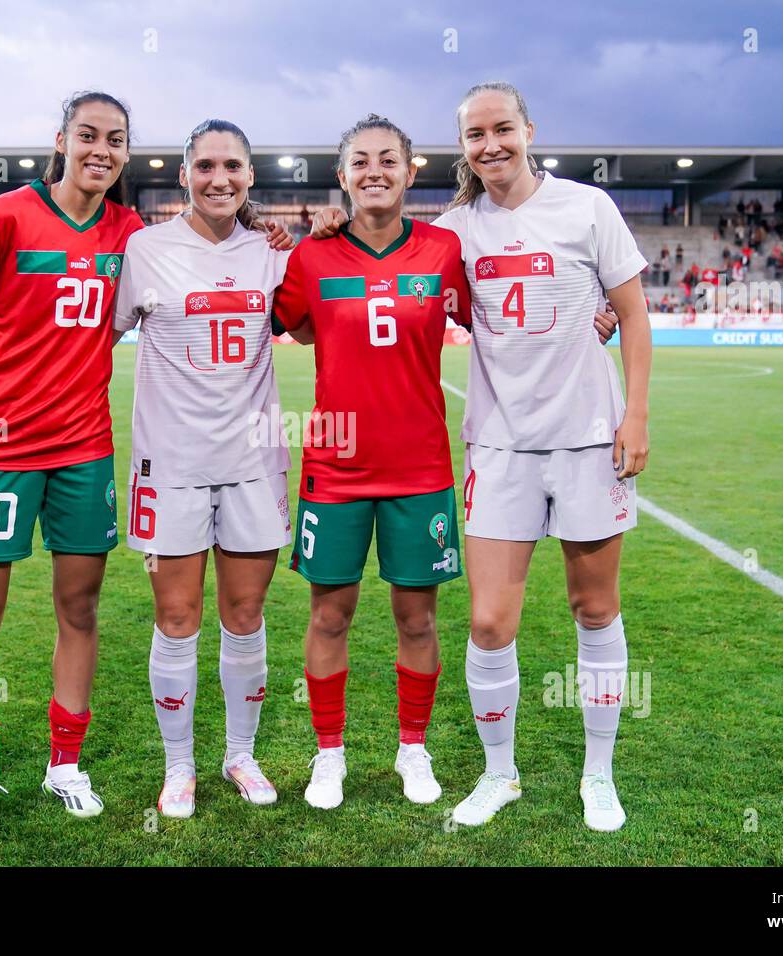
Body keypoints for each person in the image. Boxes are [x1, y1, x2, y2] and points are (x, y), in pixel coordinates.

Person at [434, 81, 651, 833]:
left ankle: (599, 774)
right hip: (499, 446)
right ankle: (500, 773)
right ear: (463, 147)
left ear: (529, 130)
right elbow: (393, 271)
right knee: (490, 622)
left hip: (589, 438)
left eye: (502, 128)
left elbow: (632, 315)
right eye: (475, 134)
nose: (490, 144)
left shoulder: (587, 207)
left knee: (594, 607)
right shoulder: (454, 230)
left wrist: (636, 416)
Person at [0, 90, 144, 834]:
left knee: (79, 609)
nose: (100, 150)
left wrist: (269, 232)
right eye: (88, 135)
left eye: (115, 139)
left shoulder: (129, 232)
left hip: (84, 450)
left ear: (125, 152)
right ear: (61, 140)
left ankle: (65, 766)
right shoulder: (6, 216)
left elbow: (196, 254)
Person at [272, 115, 473, 810]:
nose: (374, 171)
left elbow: (499, 313)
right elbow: (293, 324)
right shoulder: (313, 255)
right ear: (342, 175)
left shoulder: (444, 249)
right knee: (330, 615)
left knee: (417, 619)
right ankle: (329, 754)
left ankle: (412, 749)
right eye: (360, 161)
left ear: (411, 171)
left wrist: (593, 312)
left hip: (420, 467)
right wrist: (295, 233)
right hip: (336, 466)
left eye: (389, 159)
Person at [111, 119, 295, 818]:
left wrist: (326, 230)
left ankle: (240, 756)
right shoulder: (146, 248)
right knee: (177, 616)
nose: (220, 178)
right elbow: (97, 340)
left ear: (250, 176)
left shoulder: (272, 254)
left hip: (254, 462)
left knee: (245, 615)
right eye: (207, 166)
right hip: (170, 466)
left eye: (233, 166)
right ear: (185, 173)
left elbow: (320, 319)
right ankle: (179, 765)